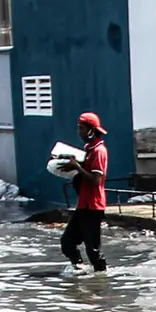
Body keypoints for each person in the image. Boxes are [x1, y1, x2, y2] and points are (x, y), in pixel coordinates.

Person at [61, 112, 111, 272]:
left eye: (81, 128)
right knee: (67, 242)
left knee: (93, 249)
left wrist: (77, 167)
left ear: (91, 130)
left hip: (93, 206)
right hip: (83, 204)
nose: (79, 132)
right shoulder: (88, 149)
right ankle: (79, 269)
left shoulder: (99, 151)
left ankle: (101, 276)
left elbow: (96, 180)